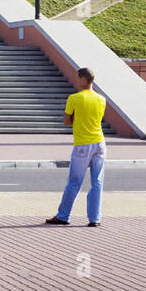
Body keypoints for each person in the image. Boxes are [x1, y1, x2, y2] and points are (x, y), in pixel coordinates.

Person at [46, 67, 107, 227]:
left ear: (83, 79)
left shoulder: (74, 98)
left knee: (74, 182)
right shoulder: (102, 99)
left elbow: (66, 121)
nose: (76, 80)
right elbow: (96, 119)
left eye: (78, 77)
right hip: (100, 143)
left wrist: (77, 120)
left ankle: (63, 216)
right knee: (97, 182)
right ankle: (95, 219)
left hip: (82, 144)